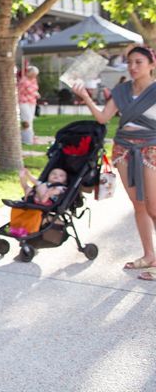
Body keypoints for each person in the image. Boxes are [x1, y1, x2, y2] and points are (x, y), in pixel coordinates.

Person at [73, 46, 156, 280]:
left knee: (154, 207)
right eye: (129, 62)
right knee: (139, 206)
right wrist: (86, 97)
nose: (133, 67)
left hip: (151, 148)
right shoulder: (121, 91)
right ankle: (149, 255)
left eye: (138, 62)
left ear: (152, 65)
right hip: (124, 149)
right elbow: (103, 118)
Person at [17, 66, 40, 144]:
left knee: (31, 119)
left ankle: (30, 137)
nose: (34, 76)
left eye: (35, 74)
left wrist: (37, 93)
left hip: (32, 101)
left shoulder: (34, 80)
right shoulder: (23, 81)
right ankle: (26, 139)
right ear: (29, 73)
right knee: (27, 119)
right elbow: (21, 91)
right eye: (33, 74)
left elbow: (35, 89)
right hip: (24, 101)